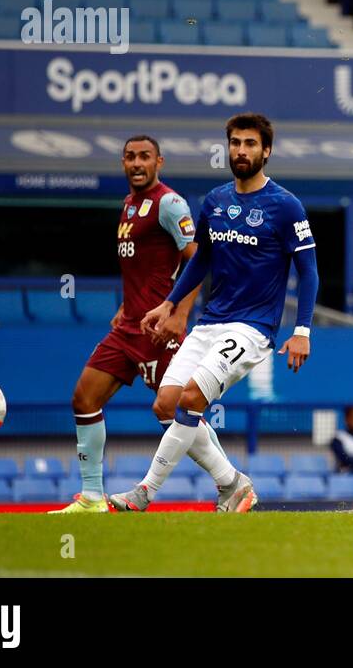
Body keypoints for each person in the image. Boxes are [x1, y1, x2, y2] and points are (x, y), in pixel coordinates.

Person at [107, 113, 320, 513]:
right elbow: (201, 259)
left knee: (191, 398)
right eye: (236, 143)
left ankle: (145, 492)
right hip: (210, 322)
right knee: (165, 404)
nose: (241, 151)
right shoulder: (215, 201)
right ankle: (232, 483)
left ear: (266, 151)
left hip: (252, 328)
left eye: (250, 144)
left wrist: (303, 329)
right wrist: (169, 303)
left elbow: (308, 270)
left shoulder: (286, 206)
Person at [50, 136, 214, 514]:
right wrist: (128, 304)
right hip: (127, 329)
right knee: (84, 398)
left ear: (160, 161)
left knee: (177, 412)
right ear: (122, 163)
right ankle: (92, 497)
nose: (137, 163)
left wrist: (180, 314)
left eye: (145, 156)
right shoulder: (128, 205)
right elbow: (149, 267)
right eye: (130, 157)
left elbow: (198, 259)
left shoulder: (169, 203)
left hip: (160, 330)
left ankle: (231, 482)